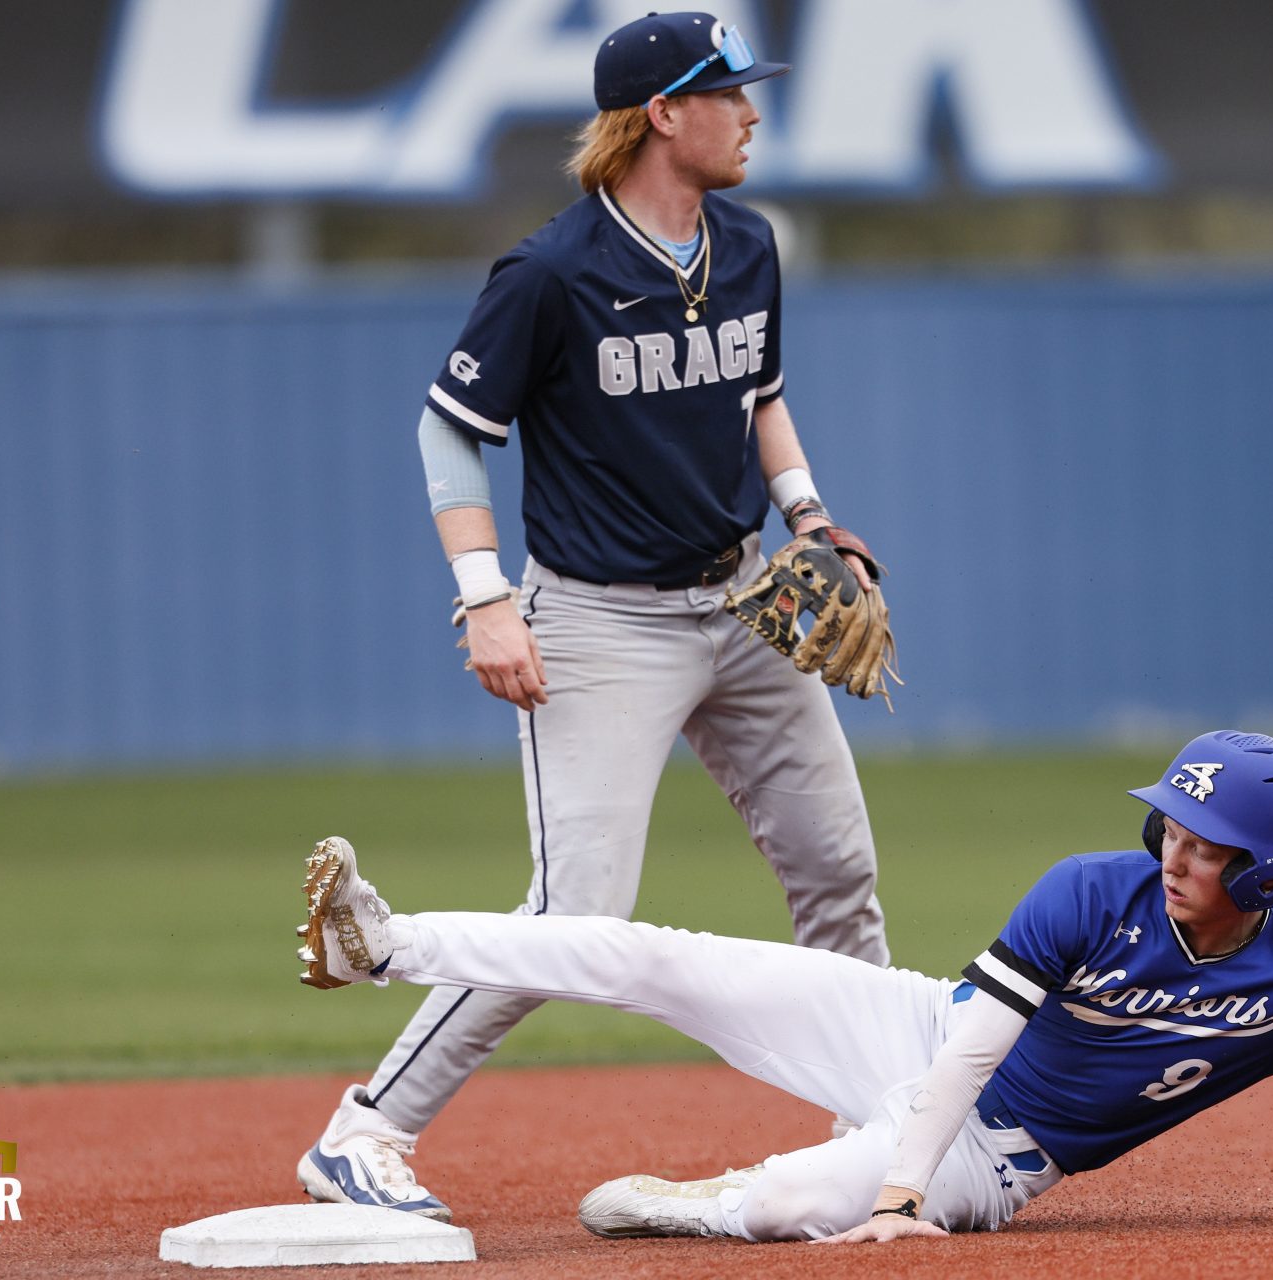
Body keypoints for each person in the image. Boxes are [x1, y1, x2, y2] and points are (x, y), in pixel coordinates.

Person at [295, 12, 891, 1222]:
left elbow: (761, 398)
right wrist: (485, 602)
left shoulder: (750, 242)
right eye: (727, 93)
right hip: (601, 623)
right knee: (578, 914)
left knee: (839, 869)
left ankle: (885, 1121)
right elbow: (449, 430)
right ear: (664, 113)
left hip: (743, 599)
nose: (752, 111)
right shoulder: (553, 271)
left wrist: (811, 516)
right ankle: (365, 1132)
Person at [293, 730, 1273, 1242]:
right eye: (1177, 827)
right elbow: (966, 1051)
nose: (1181, 850)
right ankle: (390, 942)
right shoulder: (1092, 889)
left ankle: (719, 1202)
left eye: (1215, 845)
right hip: (927, 1037)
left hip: (1005, 1161)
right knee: (661, 958)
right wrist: (901, 1187)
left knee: (790, 1203)